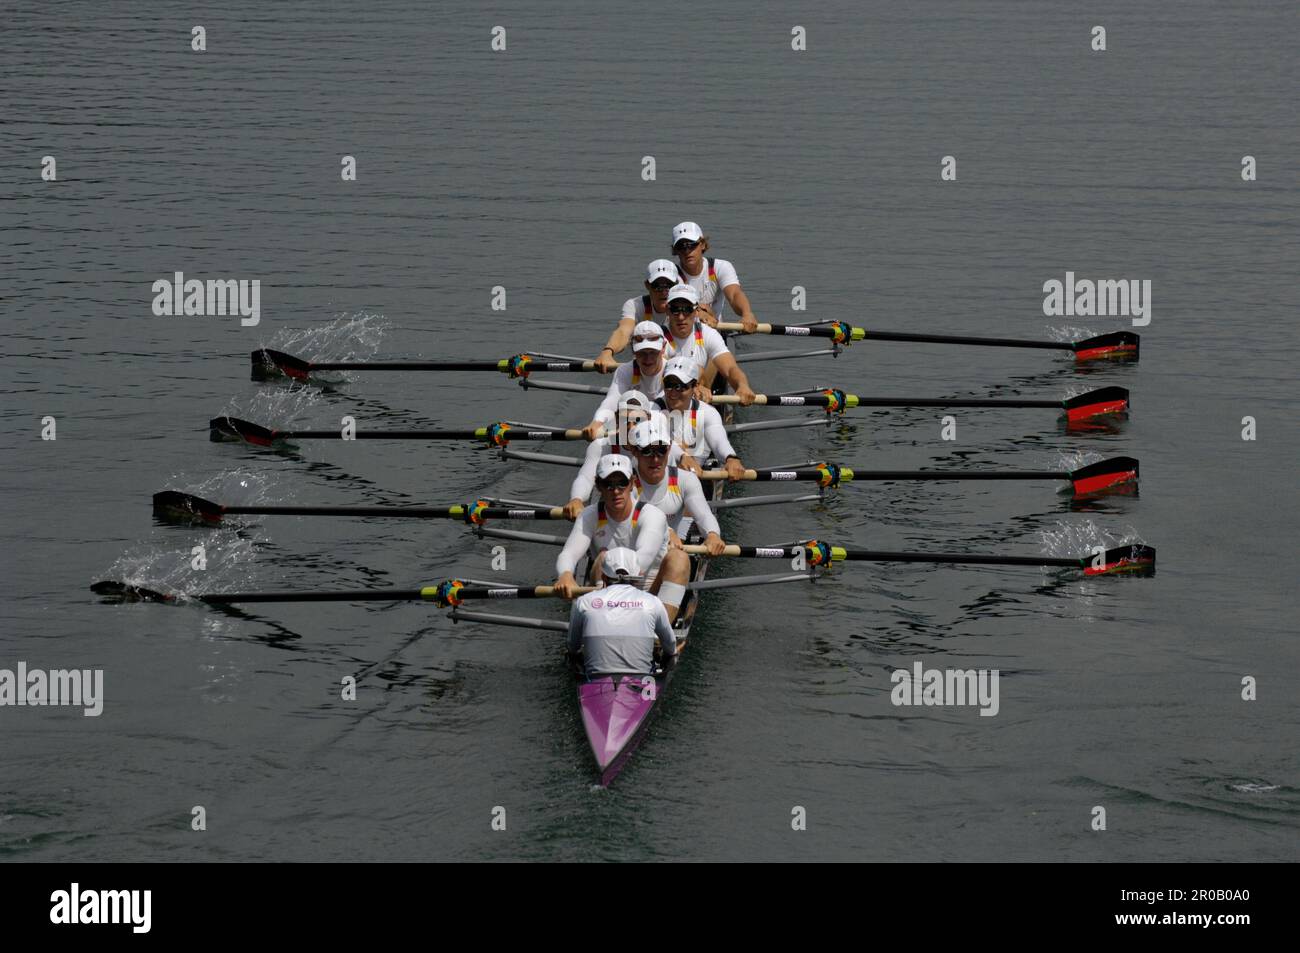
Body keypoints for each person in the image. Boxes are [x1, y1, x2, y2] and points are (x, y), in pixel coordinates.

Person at [627, 416, 727, 622]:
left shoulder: (685, 480)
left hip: (668, 562)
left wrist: (712, 534)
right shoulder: (622, 482)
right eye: (647, 451)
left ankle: (657, 632)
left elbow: (704, 514)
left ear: (670, 448)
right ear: (634, 451)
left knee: (679, 560)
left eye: (661, 450)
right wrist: (667, 532)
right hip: (629, 563)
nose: (655, 459)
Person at [554, 455, 669, 603]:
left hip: (649, 591)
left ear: (632, 483)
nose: (616, 491)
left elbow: (644, 559)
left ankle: (662, 620)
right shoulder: (589, 515)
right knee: (603, 557)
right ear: (598, 485)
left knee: (679, 559)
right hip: (608, 591)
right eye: (609, 484)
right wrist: (565, 575)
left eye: (622, 483)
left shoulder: (652, 515)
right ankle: (601, 607)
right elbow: (568, 554)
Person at [564, 392, 682, 519]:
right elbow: (586, 477)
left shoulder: (660, 451)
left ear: (648, 419)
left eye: (637, 421)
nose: (631, 427)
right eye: (625, 420)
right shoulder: (602, 445)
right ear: (616, 418)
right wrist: (577, 499)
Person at [566, 547, 676, 678]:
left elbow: (572, 646)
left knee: (573, 656)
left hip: (596, 678)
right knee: (670, 656)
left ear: (603, 576)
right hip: (640, 679)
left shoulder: (584, 601)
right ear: (638, 575)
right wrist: (670, 655)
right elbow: (670, 645)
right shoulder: (653, 602)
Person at [656, 355, 746, 481]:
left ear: (695, 386)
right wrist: (682, 456)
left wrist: (730, 457)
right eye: (669, 385)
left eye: (680, 386)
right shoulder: (653, 409)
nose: (673, 392)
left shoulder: (708, 413)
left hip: (692, 479)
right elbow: (659, 441)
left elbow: (719, 441)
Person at [662, 283, 756, 404]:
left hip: (699, 396)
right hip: (668, 400)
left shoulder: (708, 334)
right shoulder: (657, 337)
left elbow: (730, 368)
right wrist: (693, 387)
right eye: (675, 309)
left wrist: (742, 385)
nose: (681, 317)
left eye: (687, 309)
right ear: (667, 311)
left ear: (696, 311)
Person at [582, 320, 667, 440]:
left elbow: (656, 407)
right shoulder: (625, 371)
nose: (648, 359)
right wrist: (597, 422)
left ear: (663, 348)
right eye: (642, 353)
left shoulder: (671, 373)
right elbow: (611, 401)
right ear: (633, 350)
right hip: (632, 427)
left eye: (653, 352)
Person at [670, 221, 758, 333]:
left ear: (702, 245)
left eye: (691, 245)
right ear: (675, 250)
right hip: (682, 331)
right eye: (681, 247)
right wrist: (700, 313)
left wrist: (747, 313)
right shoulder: (671, 275)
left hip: (715, 330)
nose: (687, 251)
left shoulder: (720, 267)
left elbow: (735, 294)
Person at [594, 259, 679, 373]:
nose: (664, 292)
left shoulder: (688, 309)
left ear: (676, 285)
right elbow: (624, 331)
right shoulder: (635, 306)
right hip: (646, 365)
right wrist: (607, 352)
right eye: (657, 286)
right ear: (647, 285)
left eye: (668, 285)